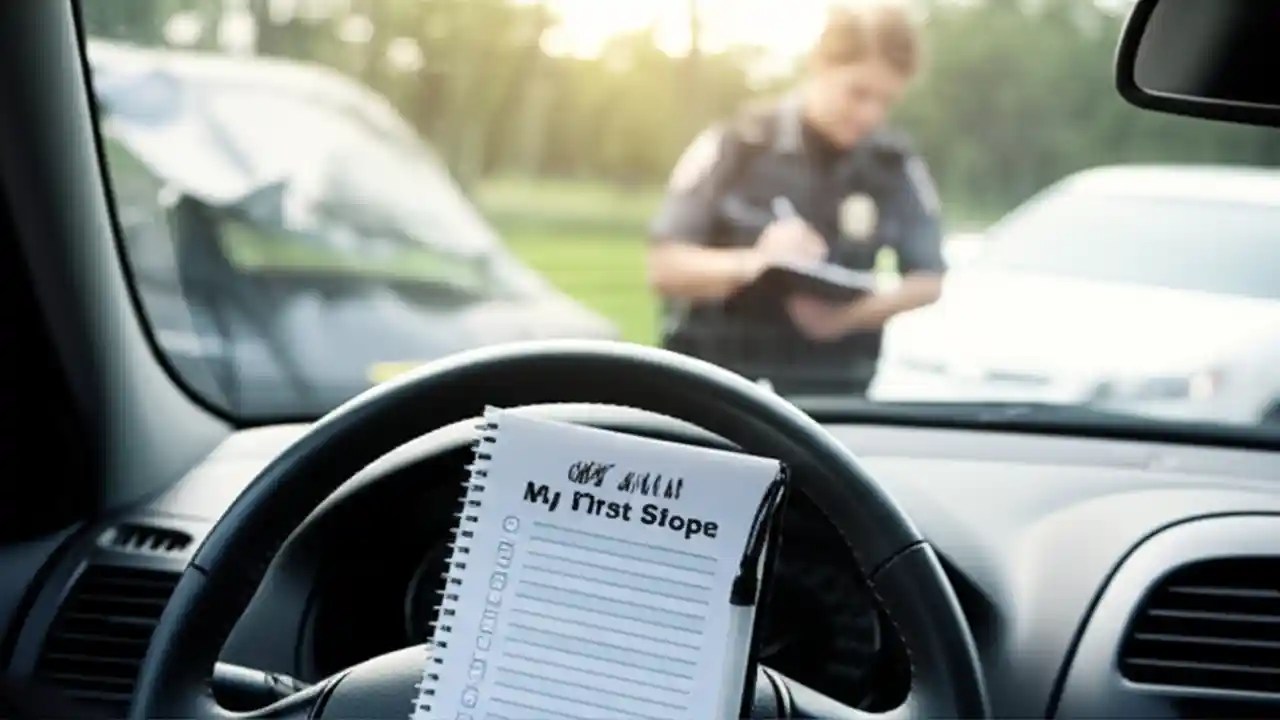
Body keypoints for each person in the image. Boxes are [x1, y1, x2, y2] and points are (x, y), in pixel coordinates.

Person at [648, 3, 945, 395]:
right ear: (820, 64)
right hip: (717, 388)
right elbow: (664, 267)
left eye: (886, 102)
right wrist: (755, 264)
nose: (870, 114)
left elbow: (929, 279)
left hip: (831, 396)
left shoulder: (893, 165)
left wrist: (845, 318)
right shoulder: (739, 144)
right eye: (858, 92)